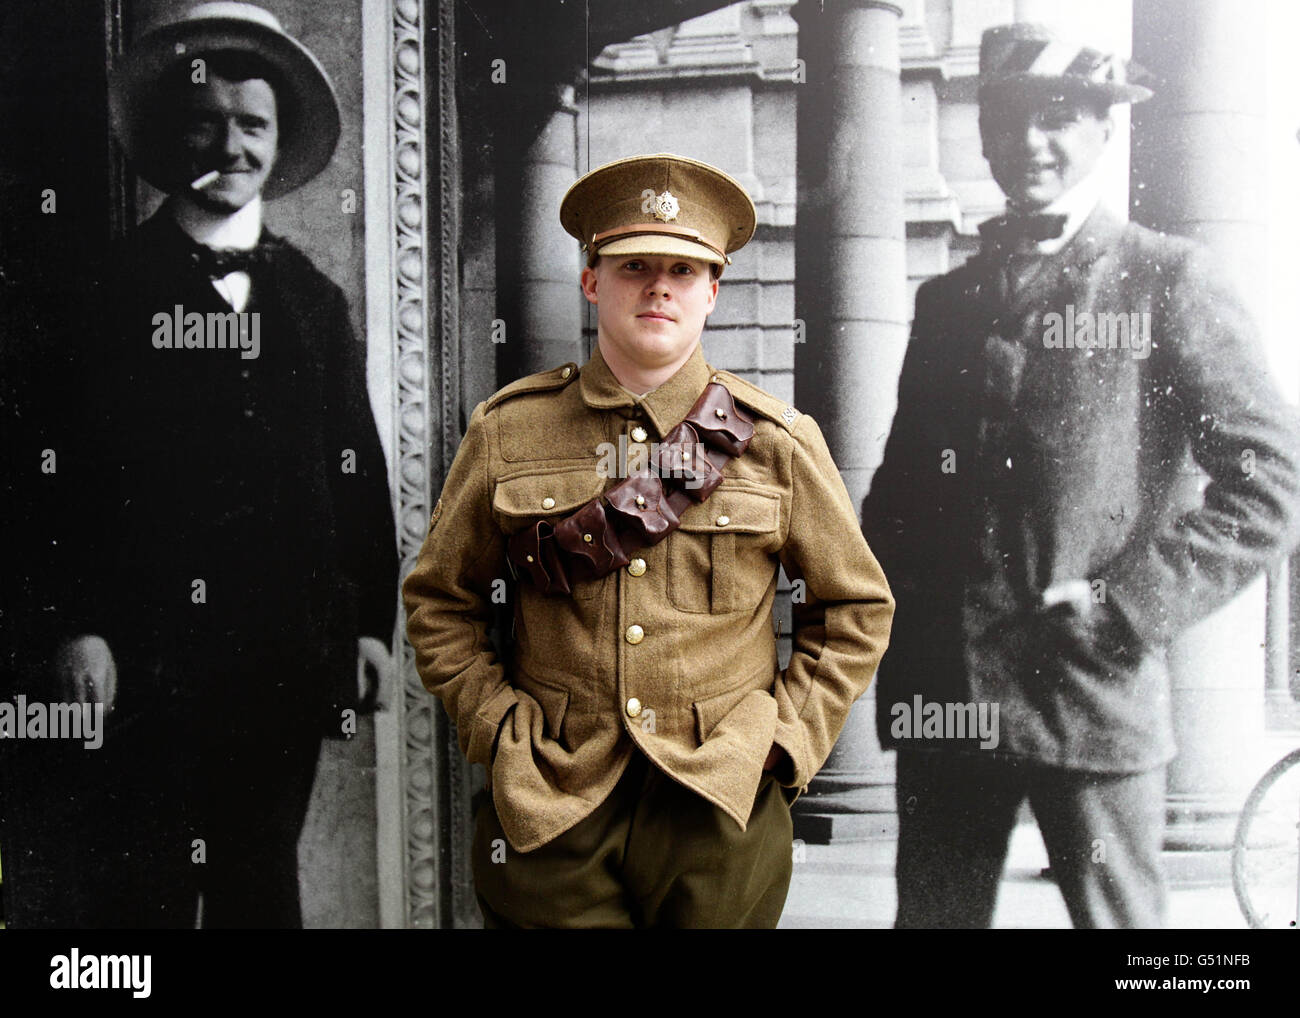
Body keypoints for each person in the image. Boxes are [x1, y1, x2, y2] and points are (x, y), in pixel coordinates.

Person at [863, 22, 1300, 929]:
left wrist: (1125, 606)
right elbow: (896, 502)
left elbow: (1270, 481)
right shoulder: (944, 304)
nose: (1030, 142)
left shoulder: (1168, 278)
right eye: (1009, 119)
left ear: (1106, 130)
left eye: (1059, 117)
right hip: (949, 703)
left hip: (1089, 692)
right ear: (982, 134)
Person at [403, 152, 894, 928]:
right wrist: (495, 726)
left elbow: (857, 608)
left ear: (713, 292)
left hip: (718, 807)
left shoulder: (775, 440)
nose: (659, 286)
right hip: (552, 804)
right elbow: (439, 600)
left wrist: (784, 738)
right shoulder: (511, 429)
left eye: (684, 269)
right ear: (592, 280)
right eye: (634, 265)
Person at [22, 2, 397, 928]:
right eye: (206, 121)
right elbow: (45, 480)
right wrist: (75, 626)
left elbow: (353, 471)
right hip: (137, 665)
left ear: (276, 143)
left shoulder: (313, 302)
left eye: (253, 124)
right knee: (136, 897)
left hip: (281, 658)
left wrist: (370, 626)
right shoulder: (96, 297)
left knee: (259, 888)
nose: (230, 144)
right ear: (167, 135)